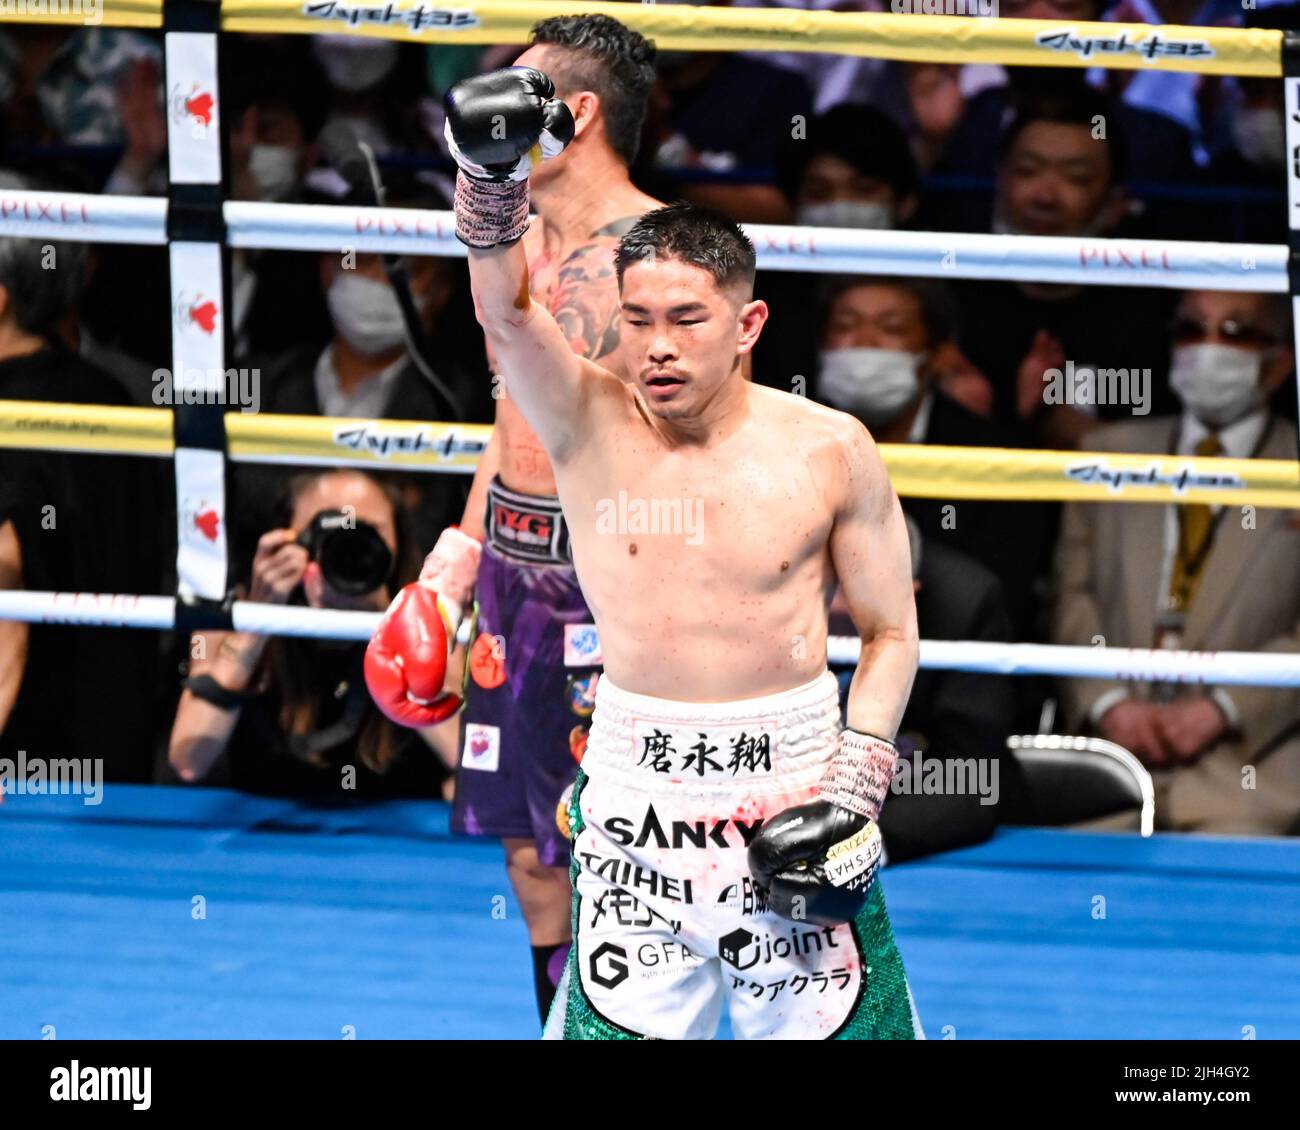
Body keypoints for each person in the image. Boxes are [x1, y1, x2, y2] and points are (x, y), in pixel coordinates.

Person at [371, 68, 924, 1039]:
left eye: (685, 320)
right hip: (637, 797)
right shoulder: (586, 419)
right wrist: (489, 180)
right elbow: (506, 312)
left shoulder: (832, 447)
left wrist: (854, 787)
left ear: (748, 325)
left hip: (793, 774)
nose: (656, 348)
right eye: (637, 322)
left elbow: (888, 631)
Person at [369, 14, 663, 1026]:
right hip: (513, 572)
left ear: (572, 114)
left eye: (516, 91)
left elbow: (708, 449)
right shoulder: (511, 240)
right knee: (532, 854)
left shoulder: (665, 261)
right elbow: (509, 427)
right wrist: (450, 571)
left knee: (622, 850)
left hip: (618, 587)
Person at [1052, 290, 1300, 834]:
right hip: (1108, 758)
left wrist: (1224, 708)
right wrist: (1110, 702)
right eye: (1191, 328)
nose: (1208, 347)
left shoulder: (1294, 465)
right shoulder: (1108, 453)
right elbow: (1072, 597)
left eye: (1235, 331)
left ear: (1279, 364)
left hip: (1256, 770)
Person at [0, 193, 164, 778]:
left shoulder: (9, 416)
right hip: (116, 740)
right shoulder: (109, 396)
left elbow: (5, 599)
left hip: (22, 762)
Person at [168, 469, 450, 797]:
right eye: (329, 529)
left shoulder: (434, 615)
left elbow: (463, 752)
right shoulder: (231, 613)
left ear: (398, 543)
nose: (347, 547)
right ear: (288, 538)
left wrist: (391, 625)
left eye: (366, 534)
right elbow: (188, 759)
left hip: (396, 836)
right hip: (263, 836)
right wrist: (258, 623)